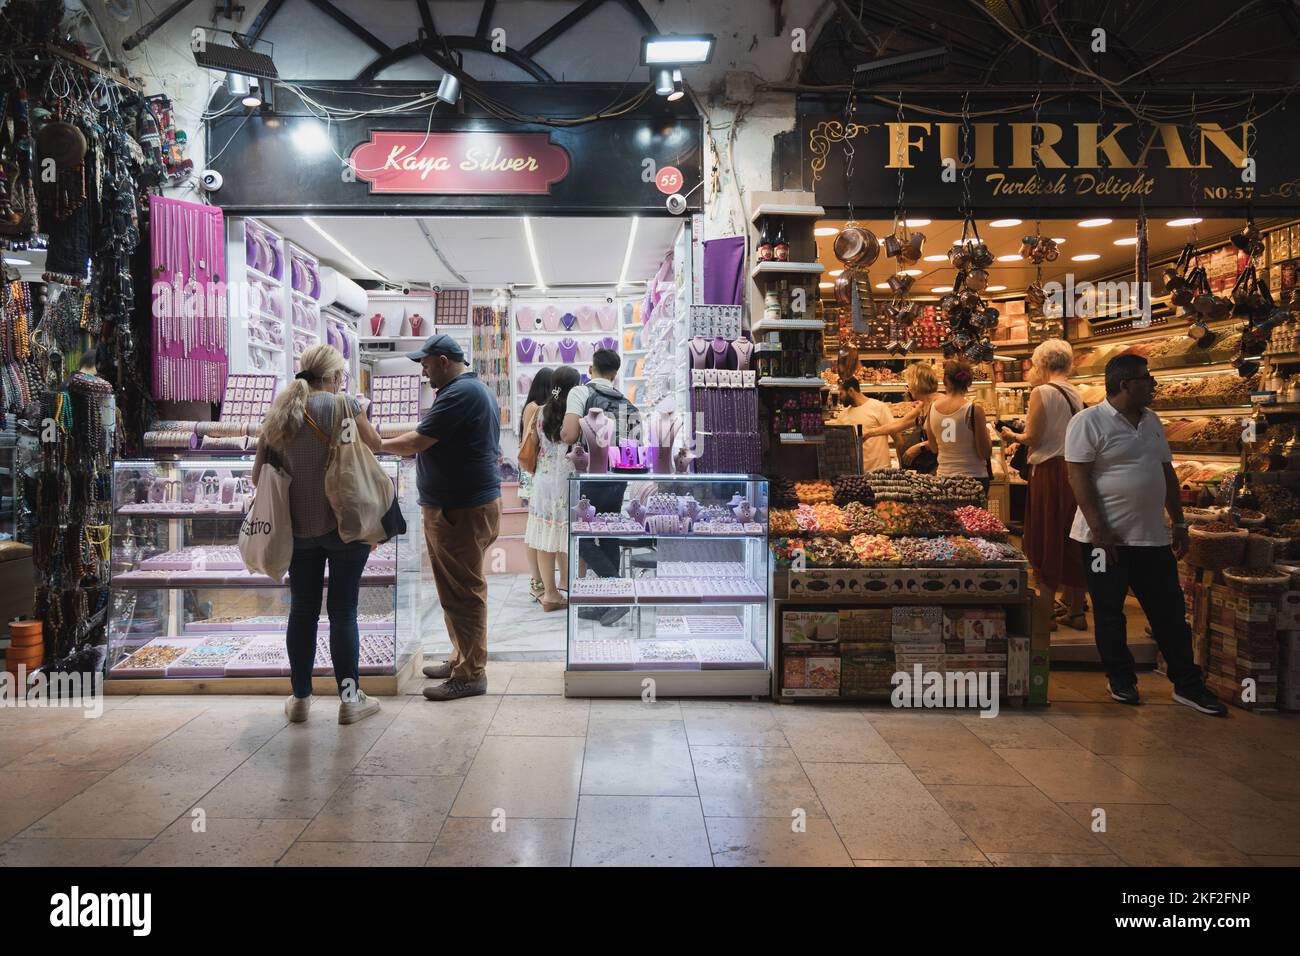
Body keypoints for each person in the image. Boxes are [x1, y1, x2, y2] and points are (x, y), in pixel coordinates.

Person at [1065, 353, 1226, 716]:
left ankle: (1188, 684)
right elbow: (1077, 478)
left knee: (1168, 612)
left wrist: (1179, 521)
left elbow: (1166, 472)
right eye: (1146, 378)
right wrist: (1100, 530)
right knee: (1109, 612)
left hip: (1152, 536)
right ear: (1125, 384)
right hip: (1104, 539)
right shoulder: (1087, 422)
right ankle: (1120, 678)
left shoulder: (1152, 420)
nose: (1153, 383)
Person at [252, 344, 385, 725]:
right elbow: (374, 444)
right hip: (346, 525)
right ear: (332, 377)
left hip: (298, 531)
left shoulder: (280, 411)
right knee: (344, 612)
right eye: (340, 375)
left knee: (303, 611)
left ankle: (299, 698)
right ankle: (349, 700)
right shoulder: (344, 406)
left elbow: (258, 475)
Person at [381, 334, 501, 702]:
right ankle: (461, 658)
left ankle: (470, 673)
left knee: (463, 592)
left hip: (459, 509)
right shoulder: (466, 391)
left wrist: (374, 443)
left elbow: (417, 442)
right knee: (455, 589)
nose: (423, 369)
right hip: (459, 506)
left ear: (444, 360)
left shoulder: (459, 394)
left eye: (426, 363)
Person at [1000, 339, 1088, 631]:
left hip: (1048, 471)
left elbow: (1034, 437)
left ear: (1043, 364)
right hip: (1072, 469)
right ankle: (1076, 610)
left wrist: (1011, 435)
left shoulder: (1043, 391)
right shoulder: (1075, 392)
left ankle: (1045, 612)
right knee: (1070, 537)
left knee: (1045, 536)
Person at [561, 348, 641, 625]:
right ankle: (607, 603)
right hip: (617, 478)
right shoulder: (627, 404)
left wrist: (562, 433)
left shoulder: (580, 393)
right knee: (609, 536)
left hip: (588, 476)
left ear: (590, 368)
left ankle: (618, 590)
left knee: (580, 536)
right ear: (615, 374)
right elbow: (634, 448)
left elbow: (570, 433)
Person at [525, 366, 579, 612]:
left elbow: (535, 446)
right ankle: (566, 584)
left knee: (545, 536)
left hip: (543, 482)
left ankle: (550, 594)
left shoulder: (539, 412)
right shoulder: (574, 413)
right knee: (565, 534)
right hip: (566, 480)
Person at [859, 362, 940, 473]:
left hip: (940, 467)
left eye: (908, 385)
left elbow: (949, 439)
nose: (908, 389)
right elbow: (899, 424)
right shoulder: (923, 405)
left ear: (916, 384)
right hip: (930, 465)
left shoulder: (939, 404)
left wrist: (919, 447)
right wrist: (869, 433)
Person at [927, 360, 992, 495]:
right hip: (974, 479)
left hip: (944, 478)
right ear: (968, 382)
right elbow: (984, 453)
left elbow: (933, 448)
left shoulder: (932, 408)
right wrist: (987, 433)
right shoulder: (974, 409)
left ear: (946, 381)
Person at [517, 368, 554, 602]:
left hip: (533, 471)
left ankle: (538, 580)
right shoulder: (534, 408)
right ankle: (536, 580)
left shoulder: (532, 406)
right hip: (533, 471)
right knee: (535, 529)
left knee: (536, 527)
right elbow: (533, 442)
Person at [834, 378, 895, 471]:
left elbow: (896, 435)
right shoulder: (842, 415)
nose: (840, 398)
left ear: (850, 391)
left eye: (841, 393)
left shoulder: (878, 407)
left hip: (880, 472)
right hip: (856, 473)